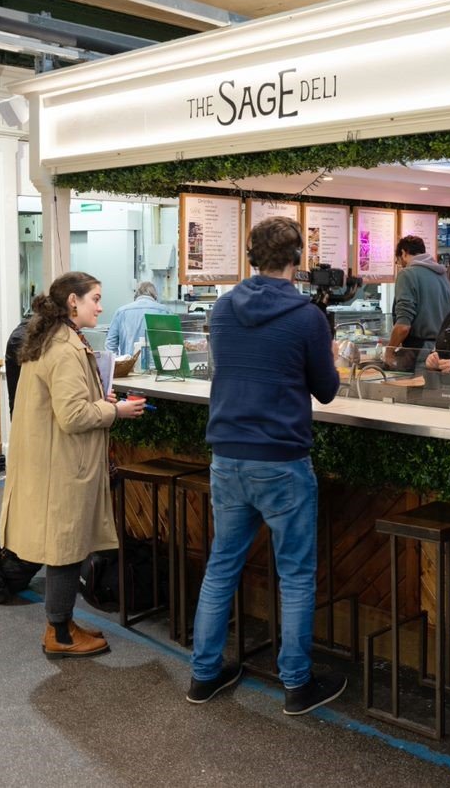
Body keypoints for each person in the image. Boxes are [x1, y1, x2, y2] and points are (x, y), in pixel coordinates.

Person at [186, 216, 344, 713]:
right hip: (281, 459)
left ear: (251, 257)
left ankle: (203, 676)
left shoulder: (223, 308)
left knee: (222, 566)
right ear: (297, 259)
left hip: (227, 455)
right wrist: (329, 354)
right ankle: (296, 684)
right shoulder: (307, 317)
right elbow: (326, 390)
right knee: (294, 574)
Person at [0, 271, 147, 658]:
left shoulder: (53, 339)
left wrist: (98, 397)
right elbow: (73, 416)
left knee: (65, 545)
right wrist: (115, 410)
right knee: (66, 548)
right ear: (72, 302)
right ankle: (60, 634)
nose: (100, 306)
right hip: (62, 465)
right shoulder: (64, 348)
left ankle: (62, 623)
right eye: (94, 298)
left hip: (52, 461)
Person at [383, 235, 450, 371]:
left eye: (398, 260)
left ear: (403, 253)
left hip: (418, 354)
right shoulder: (444, 276)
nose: (400, 265)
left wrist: (389, 351)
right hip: (442, 354)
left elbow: (403, 326)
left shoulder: (407, 274)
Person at [104, 280, 171, 370]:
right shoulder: (166, 311)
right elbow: (174, 342)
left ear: (136, 295)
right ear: (155, 296)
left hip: (129, 368)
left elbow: (110, 344)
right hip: (158, 368)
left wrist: (118, 364)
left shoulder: (121, 311)